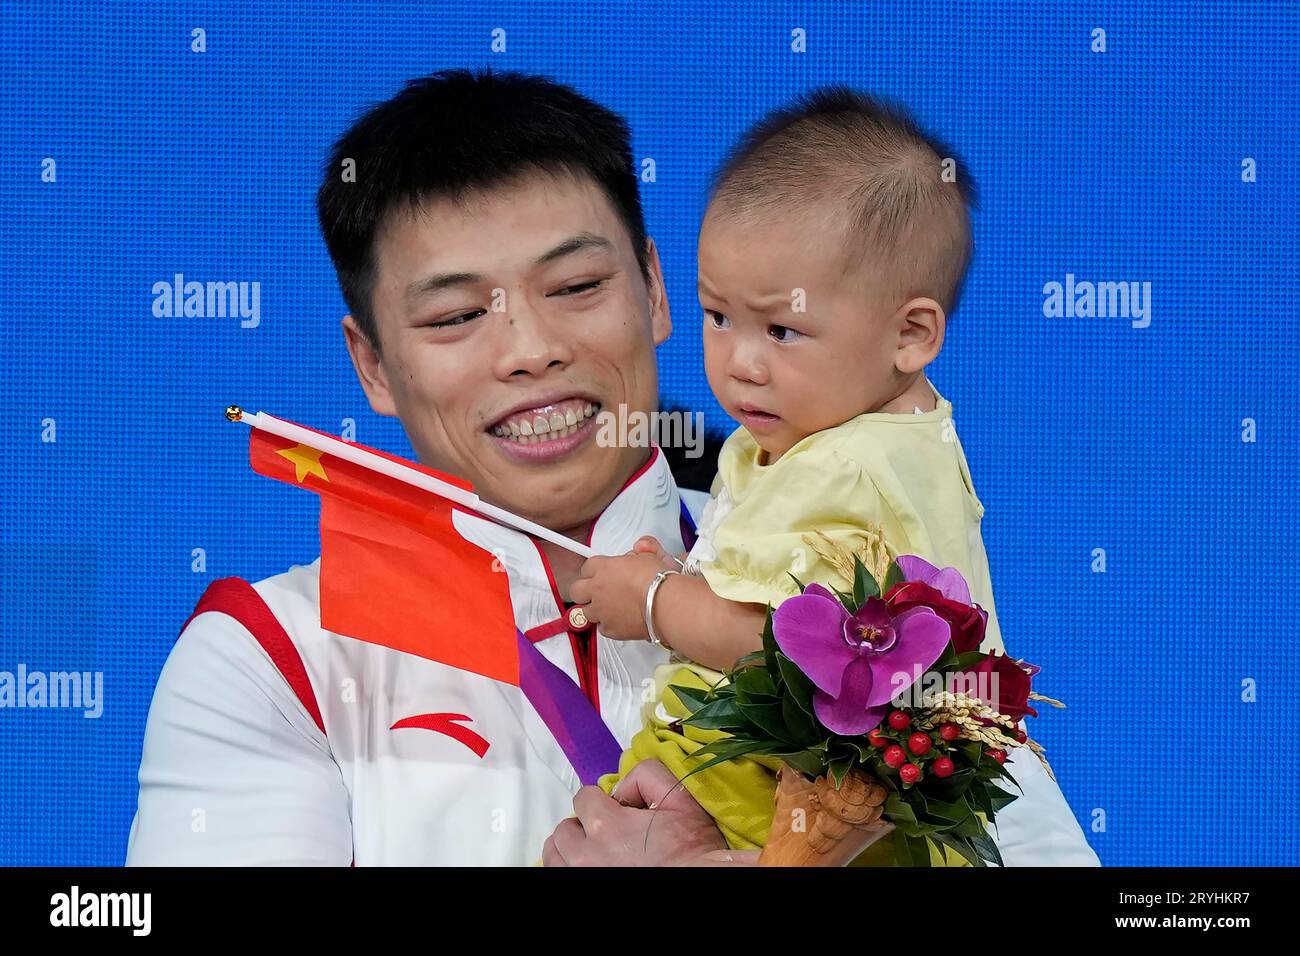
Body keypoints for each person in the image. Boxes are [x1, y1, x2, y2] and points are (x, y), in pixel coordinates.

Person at [126, 69, 713, 865]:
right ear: (372, 366)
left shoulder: (855, 573)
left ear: (653, 289)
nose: (532, 349)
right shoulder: (277, 656)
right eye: (457, 316)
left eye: (576, 286)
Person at [560, 89, 1100, 866]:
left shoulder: (845, 467)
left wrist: (651, 601)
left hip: (781, 802)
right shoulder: (857, 425)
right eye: (718, 316)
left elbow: (787, 654)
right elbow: (787, 580)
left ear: (911, 334)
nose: (740, 361)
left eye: (783, 329)